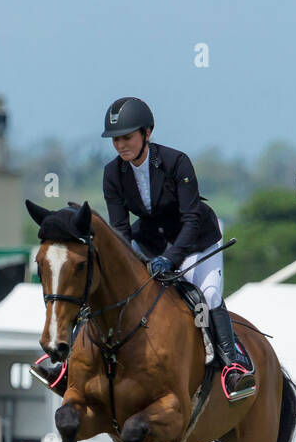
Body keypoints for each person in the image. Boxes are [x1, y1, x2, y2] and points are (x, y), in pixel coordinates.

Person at [32, 96, 254, 401]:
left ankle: (233, 365)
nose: (121, 145)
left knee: (209, 295)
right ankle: (68, 363)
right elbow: (120, 230)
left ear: (146, 133)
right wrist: (132, 260)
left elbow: (190, 219)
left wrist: (171, 259)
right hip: (150, 238)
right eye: (115, 140)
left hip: (196, 238)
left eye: (127, 137)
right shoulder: (113, 173)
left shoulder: (177, 163)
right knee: (102, 285)